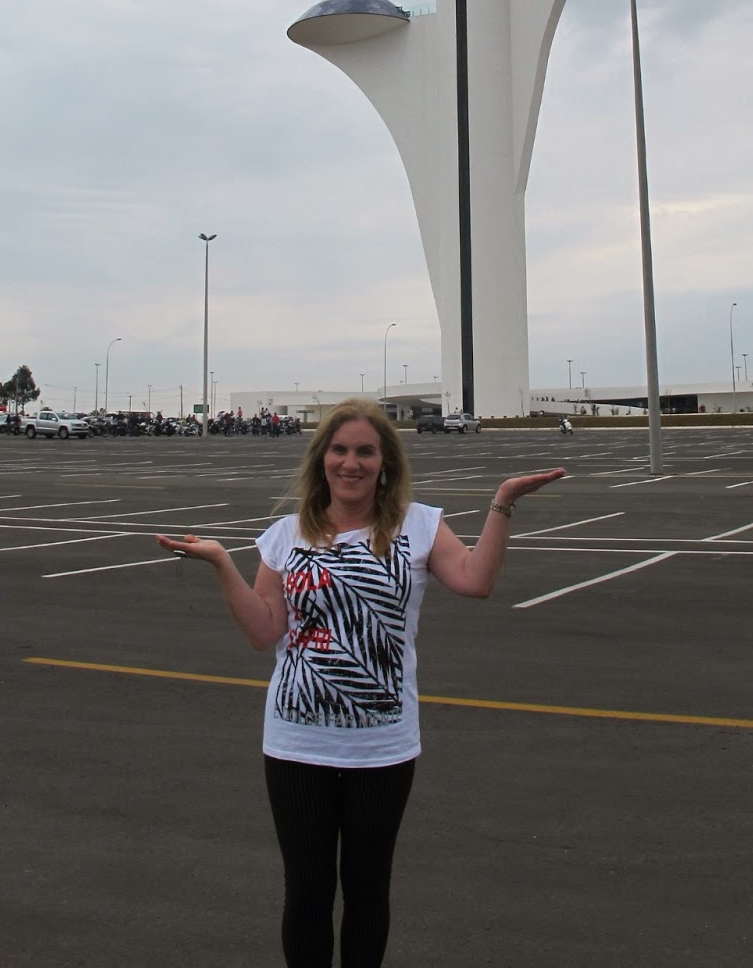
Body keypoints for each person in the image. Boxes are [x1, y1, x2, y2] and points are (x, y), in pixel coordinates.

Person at [156, 397, 564, 968]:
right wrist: (224, 564)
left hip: (383, 746)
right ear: (321, 459)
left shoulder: (419, 525)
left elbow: (476, 581)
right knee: (307, 891)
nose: (351, 463)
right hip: (297, 744)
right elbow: (264, 632)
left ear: (385, 461)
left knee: (369, 888)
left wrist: (502, 503)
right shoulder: (285, 535)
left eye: (365, 452)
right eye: (340, 450)